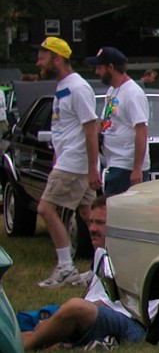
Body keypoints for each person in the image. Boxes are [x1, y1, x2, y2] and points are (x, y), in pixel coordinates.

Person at [21, 198, 146, 352]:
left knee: (75, 307)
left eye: (100, 223)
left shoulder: (142, 259)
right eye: (91, 222)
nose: (92, 228)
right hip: (90, 316)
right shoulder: (102, 253)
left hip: (130, 324)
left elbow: (142, 315)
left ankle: (26, 348)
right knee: (27, 319)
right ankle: (57, 343)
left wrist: (53, 323)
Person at [34, 36, 101, 288]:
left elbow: (90, 129)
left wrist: (92, 167)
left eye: (42, 57)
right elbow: (65, 127)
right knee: (89, 215)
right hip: (69, 159)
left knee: (46, 209)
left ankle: (65, 267)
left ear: (57, 59)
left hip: (75, 163)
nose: (38, 63)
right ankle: (106, 266)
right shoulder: (64, 86)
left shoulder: (78, 88)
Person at [88, 46, 151, 195]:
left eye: (99, 68)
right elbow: (105, 121)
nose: (96, 72)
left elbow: (141, 131)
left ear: (110, 67)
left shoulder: (132, 94)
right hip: (113, 162)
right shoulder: (112, 90)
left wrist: (137, 169)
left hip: (126, 165)